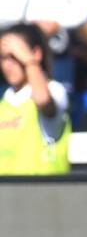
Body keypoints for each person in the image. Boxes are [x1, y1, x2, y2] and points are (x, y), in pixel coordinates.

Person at [0, 22, 70, 175]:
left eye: (14, 56)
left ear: (36, 53)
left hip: (43, 193)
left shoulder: (53, 90)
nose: (8, 65)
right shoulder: (3, 104)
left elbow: (43, 101)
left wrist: (30, 61)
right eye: (4, 58)